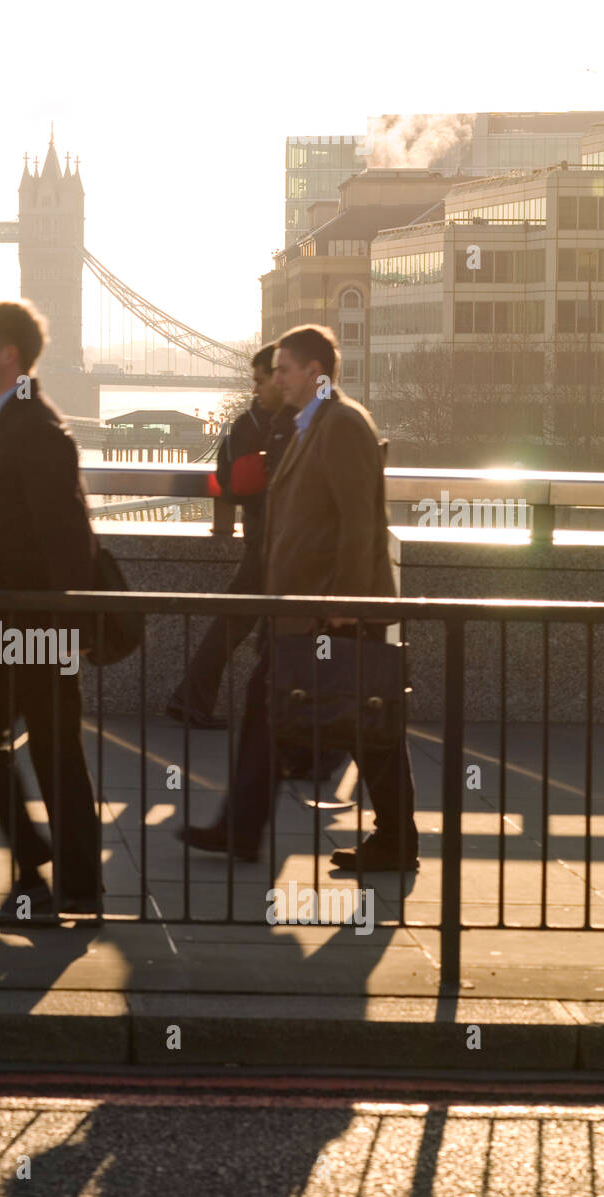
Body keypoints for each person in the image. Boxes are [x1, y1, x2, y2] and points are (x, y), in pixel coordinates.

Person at [179, 324, 419, 872]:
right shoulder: (308, 424)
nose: (275, 378)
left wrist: (347, 602)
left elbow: (360, 520)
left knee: (365, 723)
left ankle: (393, 840)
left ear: (315, 372)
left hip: (330, 612)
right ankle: (241, 828)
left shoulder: (342, 425)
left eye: (284, 369)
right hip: (300, 608)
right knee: (283, 711)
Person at [0, 301, 102, 922]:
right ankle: (55, 875)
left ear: (9, 355)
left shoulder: (33, 427)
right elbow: (11, 529)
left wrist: (69, 622)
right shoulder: (17, 418)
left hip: (34, 624)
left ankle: (48, 874)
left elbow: (65, 533)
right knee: (47, 749)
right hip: (20, 621)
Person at [166, 342, 291, 730]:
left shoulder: (250, 425)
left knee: (240, 623)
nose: (255, 389)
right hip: (274, 544)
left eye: (260, 380)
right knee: (269, 629)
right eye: (256, 381)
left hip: (266, 539)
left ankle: (192, 698)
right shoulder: (277, 425)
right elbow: (237, 482)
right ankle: (283, 719)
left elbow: (227, 483)